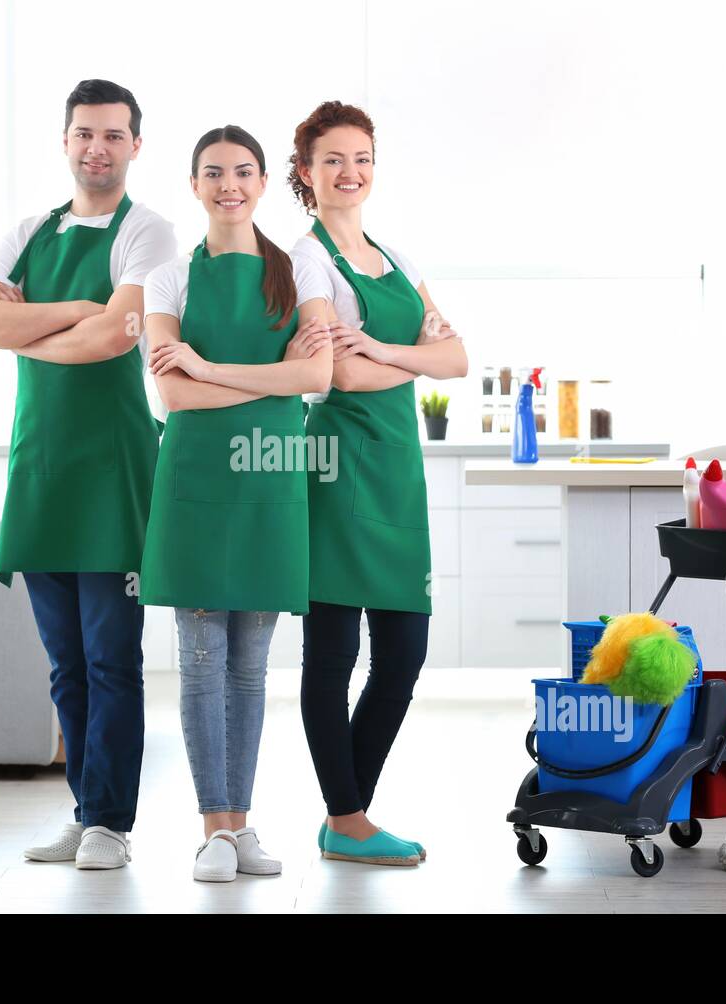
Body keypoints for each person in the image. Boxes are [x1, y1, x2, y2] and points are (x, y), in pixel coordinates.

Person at [0, 79, 176, 871]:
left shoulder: (148, 232)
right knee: (64, 663)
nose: (97, 147)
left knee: (111, 656)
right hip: (43, 470)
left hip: (113, 472)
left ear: (134, 146)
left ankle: (111, 826)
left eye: (113, 135)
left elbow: (115, 337)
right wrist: (74, 313)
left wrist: (34, 326)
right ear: (65, 140)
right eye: (85, 133)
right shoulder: (28, 230)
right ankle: (85, 810)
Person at [141, 125, 332, 882]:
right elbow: (171, 391)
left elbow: (316, 378)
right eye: (214, 173)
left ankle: (241, 827)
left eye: (244, 172)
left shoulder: (301, 269)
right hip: (195, 485)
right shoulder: (167, 278)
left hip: (270, 481)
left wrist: (209, 364)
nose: (230, 185)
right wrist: (264, 374)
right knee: (199, 664)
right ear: (194, 185)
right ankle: (212, 831)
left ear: (261, 182)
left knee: (251, 669)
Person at [287, 100, 468, 866]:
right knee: (332, 654)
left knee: (403, 654)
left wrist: (386, 353)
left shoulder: (397, 257)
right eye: (332, 159)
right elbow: (334, 372)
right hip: (335, 465)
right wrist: (404, 353)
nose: (349, 172)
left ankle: (344, 813)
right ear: (305, 173)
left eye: (360, 157)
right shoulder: (304, 256)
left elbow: (458, 358)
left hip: (396, 470)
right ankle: (349, 816)